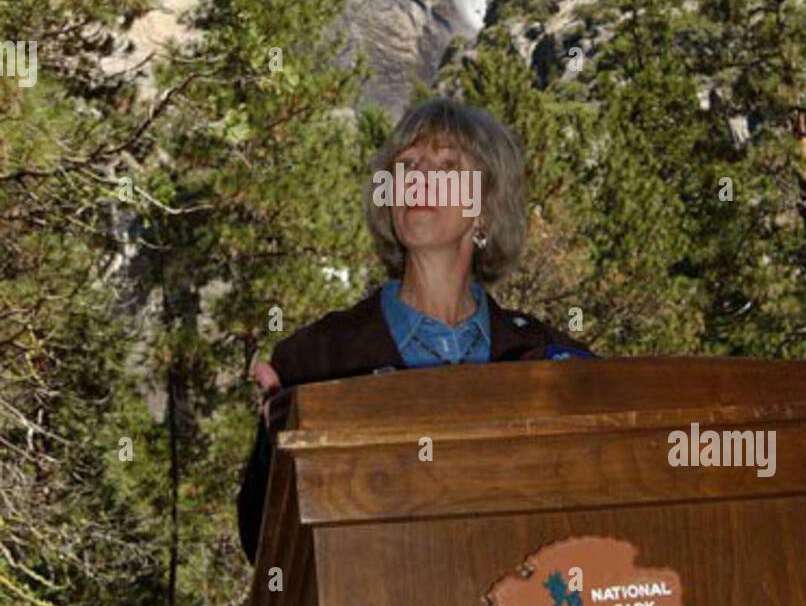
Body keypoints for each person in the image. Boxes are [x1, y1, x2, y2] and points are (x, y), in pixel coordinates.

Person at [237, 97, 594, 563]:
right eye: (407, 165)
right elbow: (265, 552)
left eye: (446, 165)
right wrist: (275, 453)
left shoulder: (546, 357)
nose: (419, 179)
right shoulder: (316, 361)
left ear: (485, 208)